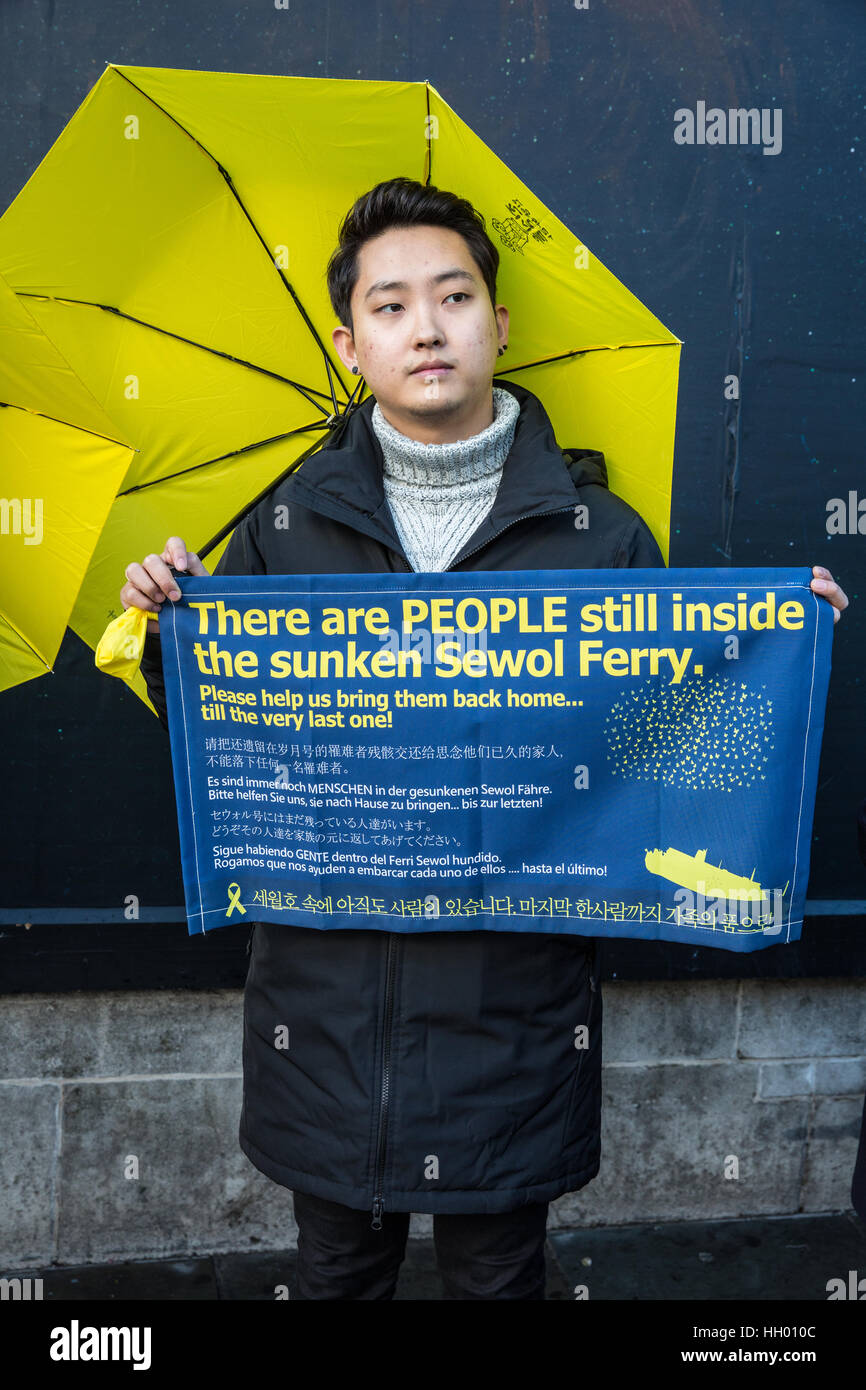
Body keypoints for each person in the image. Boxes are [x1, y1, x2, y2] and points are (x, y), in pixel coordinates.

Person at [120, 177, 849, 1299]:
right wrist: (174, 631)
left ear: (497, 324)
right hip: (324, 1009)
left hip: (512, 1016)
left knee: (498, 1278)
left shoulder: (598, 538)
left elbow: (661, 751)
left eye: (453, 296)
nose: (426, 325)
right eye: (392, 304)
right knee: (334, 1274)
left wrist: (762, 642)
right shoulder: (275, 526)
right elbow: (227, 749)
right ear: (349, 341)